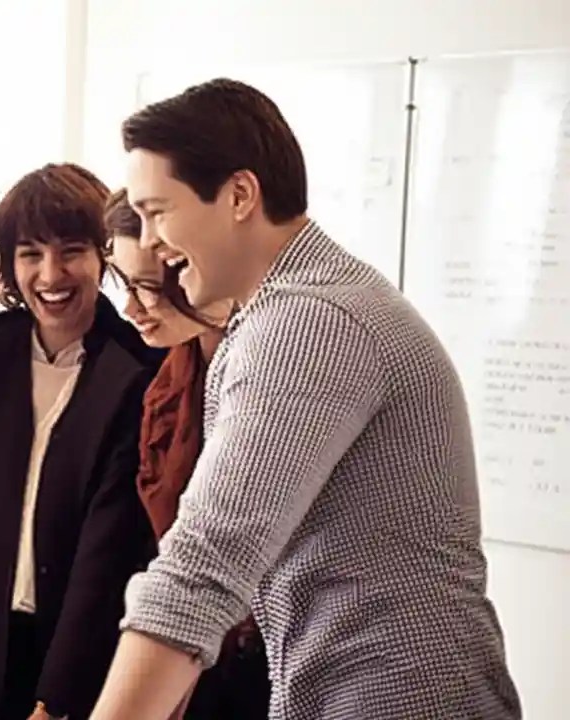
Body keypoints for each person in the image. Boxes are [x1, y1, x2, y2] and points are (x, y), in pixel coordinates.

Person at [89, 78, 522, 720]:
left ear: (239, 195)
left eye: (159, 211)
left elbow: (203, 565)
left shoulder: (308, 321)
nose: (149, 242)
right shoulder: (296, 307)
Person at [0, 164, 166, 720]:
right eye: (30, 253)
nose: (50, 274)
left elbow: (109, 551)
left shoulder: (141, 368)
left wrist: (55, 701)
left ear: (103, 255)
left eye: (71, 251)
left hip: (88, 655)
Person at [104, 188, 269, 720]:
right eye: (125, 284)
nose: (131, 308)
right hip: (195, 656)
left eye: (150, 288)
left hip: (267, 660)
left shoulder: (271, 375)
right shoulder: (166, 384)